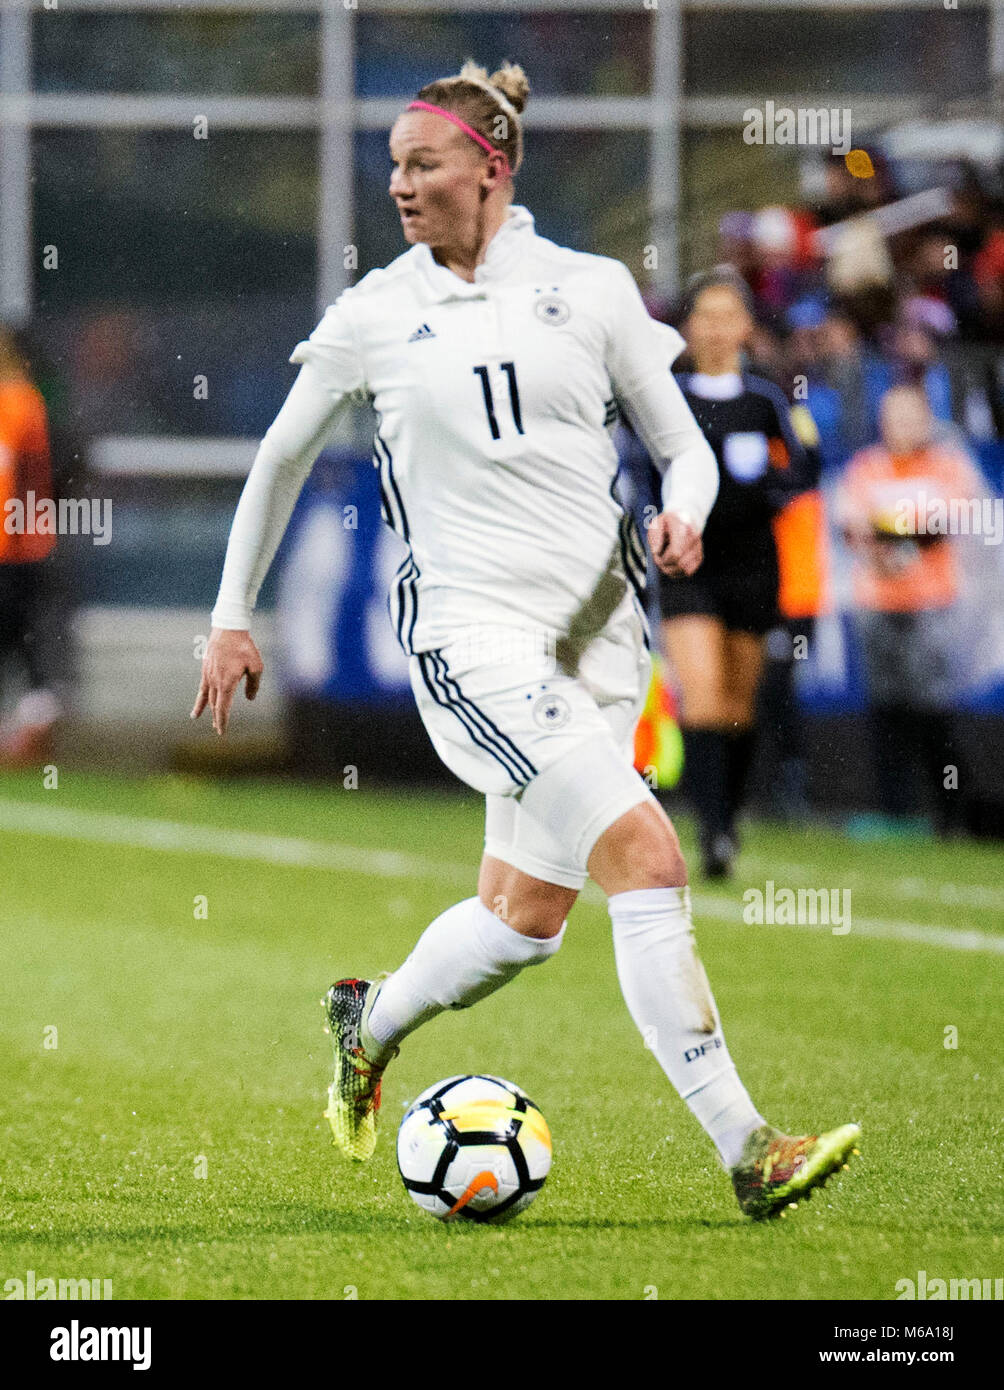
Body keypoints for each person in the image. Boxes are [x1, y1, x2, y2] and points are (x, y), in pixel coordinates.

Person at [193, 61, 859, 1219]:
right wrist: (229, 616)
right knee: (648, 855)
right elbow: (281, 457)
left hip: (602, 642)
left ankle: (371, 1017)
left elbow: (683, 441)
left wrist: (687, 509)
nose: (397, 184)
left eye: (422, 162)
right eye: (392, 165)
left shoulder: (591, 290)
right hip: (473, 642)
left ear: (489, 168)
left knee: (525, 923)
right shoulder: (375, 312)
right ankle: (747, 1146)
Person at [657, 268, 817, 876]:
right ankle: (713, 834)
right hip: (687, 563)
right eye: (707, 316)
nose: (719, 328)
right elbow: (640, 469)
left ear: (748, 326)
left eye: (731, 315)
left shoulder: (768, 399)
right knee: (699, 694)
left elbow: (806, 466)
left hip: (754, 565)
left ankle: (728, 817)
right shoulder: (667, 396)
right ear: (687, 327)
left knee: (738, 706)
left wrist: (765, 493)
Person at [837, 385, 983, 837]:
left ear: (925, 420)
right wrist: (889, 532)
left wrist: (883, 528)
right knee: (886, 711)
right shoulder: (866, 466)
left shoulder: (947, 465)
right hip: (876, 604)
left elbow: (942, 524)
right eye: (892, 418)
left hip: (930, 605)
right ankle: (896, 812)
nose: (900, 427)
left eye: (909, 418)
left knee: (932, 712)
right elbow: (848, 522)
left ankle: (950, 811)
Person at [0, 325, 63, 764]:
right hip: (17, 543)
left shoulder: (21, 401)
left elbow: (25, 472)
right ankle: (33, 716)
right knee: (20, 640)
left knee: (20, 636)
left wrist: (23, 536)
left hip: (15, 546)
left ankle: (35, 720)